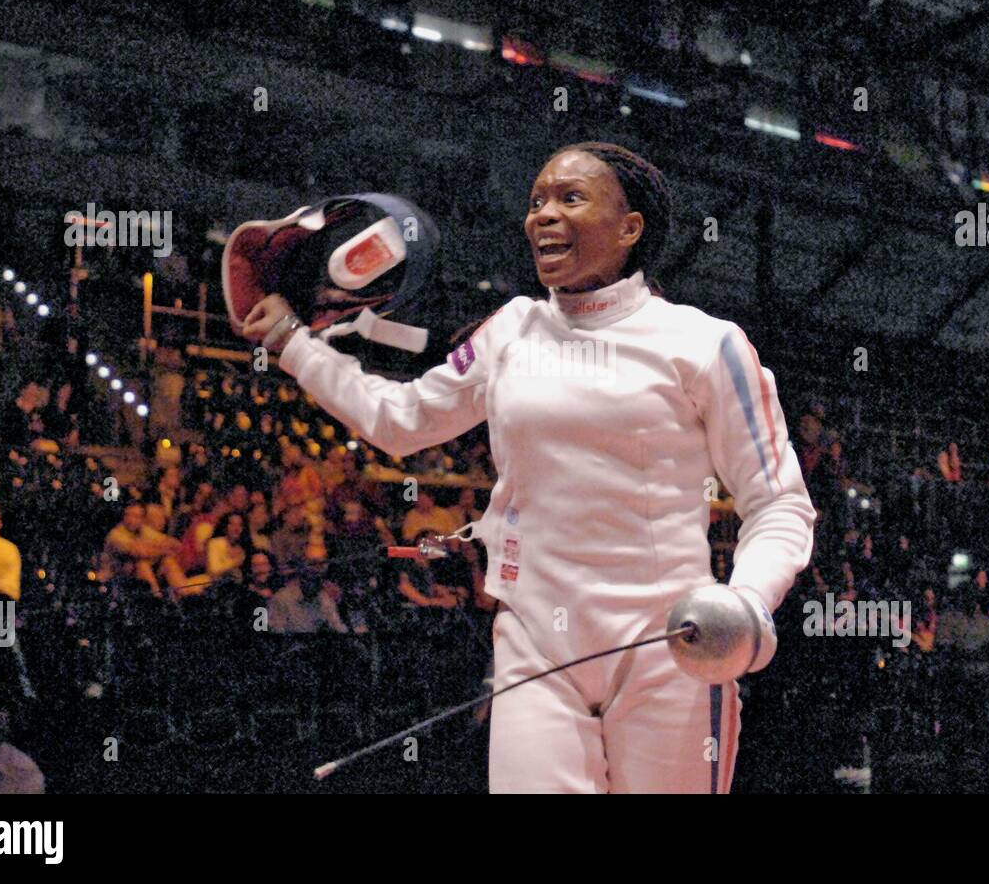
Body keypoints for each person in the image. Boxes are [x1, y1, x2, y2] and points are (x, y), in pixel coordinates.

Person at [241, 141, 815, 793]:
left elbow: (778, 502)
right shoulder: (512, 329)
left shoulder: (705, 343)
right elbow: (401, 421)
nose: (542, 214)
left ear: (631, 228)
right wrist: (294, 345)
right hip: (536, 642)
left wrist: (747, 599)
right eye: (537, 200)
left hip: (670, 649)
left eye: (570, 198)